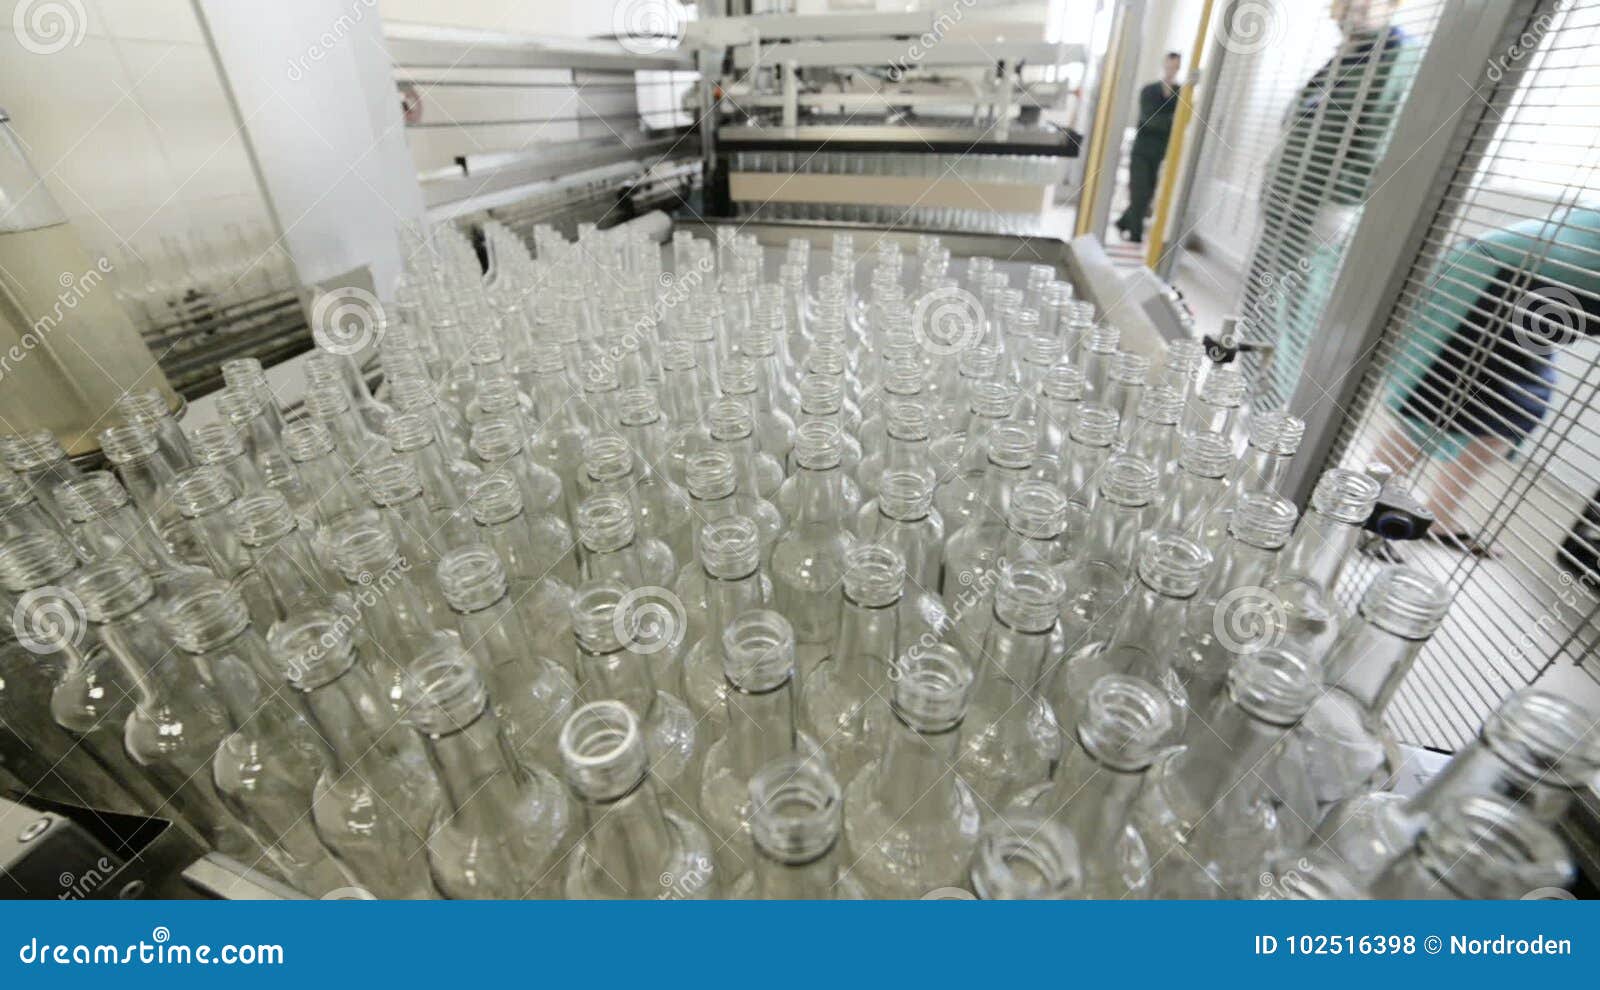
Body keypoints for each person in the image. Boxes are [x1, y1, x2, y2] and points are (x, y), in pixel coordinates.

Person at [1374, 206, 1600, 557]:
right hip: (1499, 280)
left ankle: (1441, 517)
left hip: (1539, 301)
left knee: (1514, 411)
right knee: (1435, 406)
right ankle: (1369, 510)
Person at [1251, 0, 1417, 404]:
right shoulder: (1345, 55)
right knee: (1262, 300)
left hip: (1317, 214)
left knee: (1291, 315)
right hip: (1285, 210)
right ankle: (1247, 391)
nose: (1354, 7)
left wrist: (1342, 203)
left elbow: (1380, 133)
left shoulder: (1396, 55)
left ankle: (1267, 412)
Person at [1115, 51, 1181, 244]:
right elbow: (1148, 119)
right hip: (1142, 150)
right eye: (1169, 65)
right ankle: (1135, 235)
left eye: (1175, 66)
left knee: (1149, 193)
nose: (1172, 69)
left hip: (1160, 151)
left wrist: (1167, 122)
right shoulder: (1149, 91)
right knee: (1139, 191)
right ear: (1164, 65)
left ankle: (1123, 222)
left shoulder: (1180, 93)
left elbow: (1182, 122)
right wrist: (1170, 121)